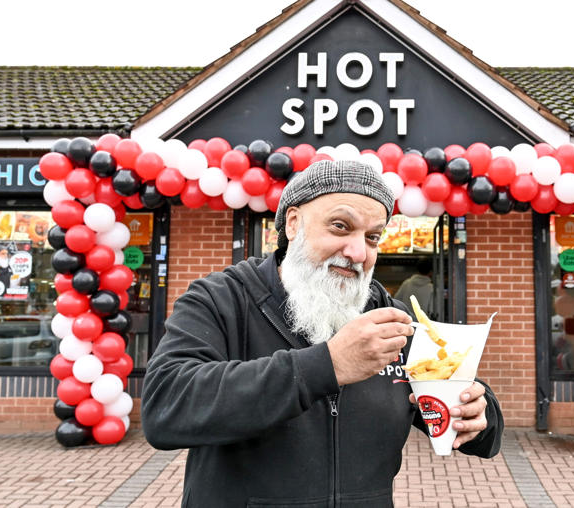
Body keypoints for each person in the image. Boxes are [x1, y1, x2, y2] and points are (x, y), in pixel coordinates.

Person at [142, 160, 503, 507]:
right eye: (341, 227)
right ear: (294, 223)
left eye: (373, 237)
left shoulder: (390, 317)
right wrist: (326, 365)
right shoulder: (220, 299)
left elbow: (458, 409)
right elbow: (165, 408)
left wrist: (479, 414)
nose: (359, 251)